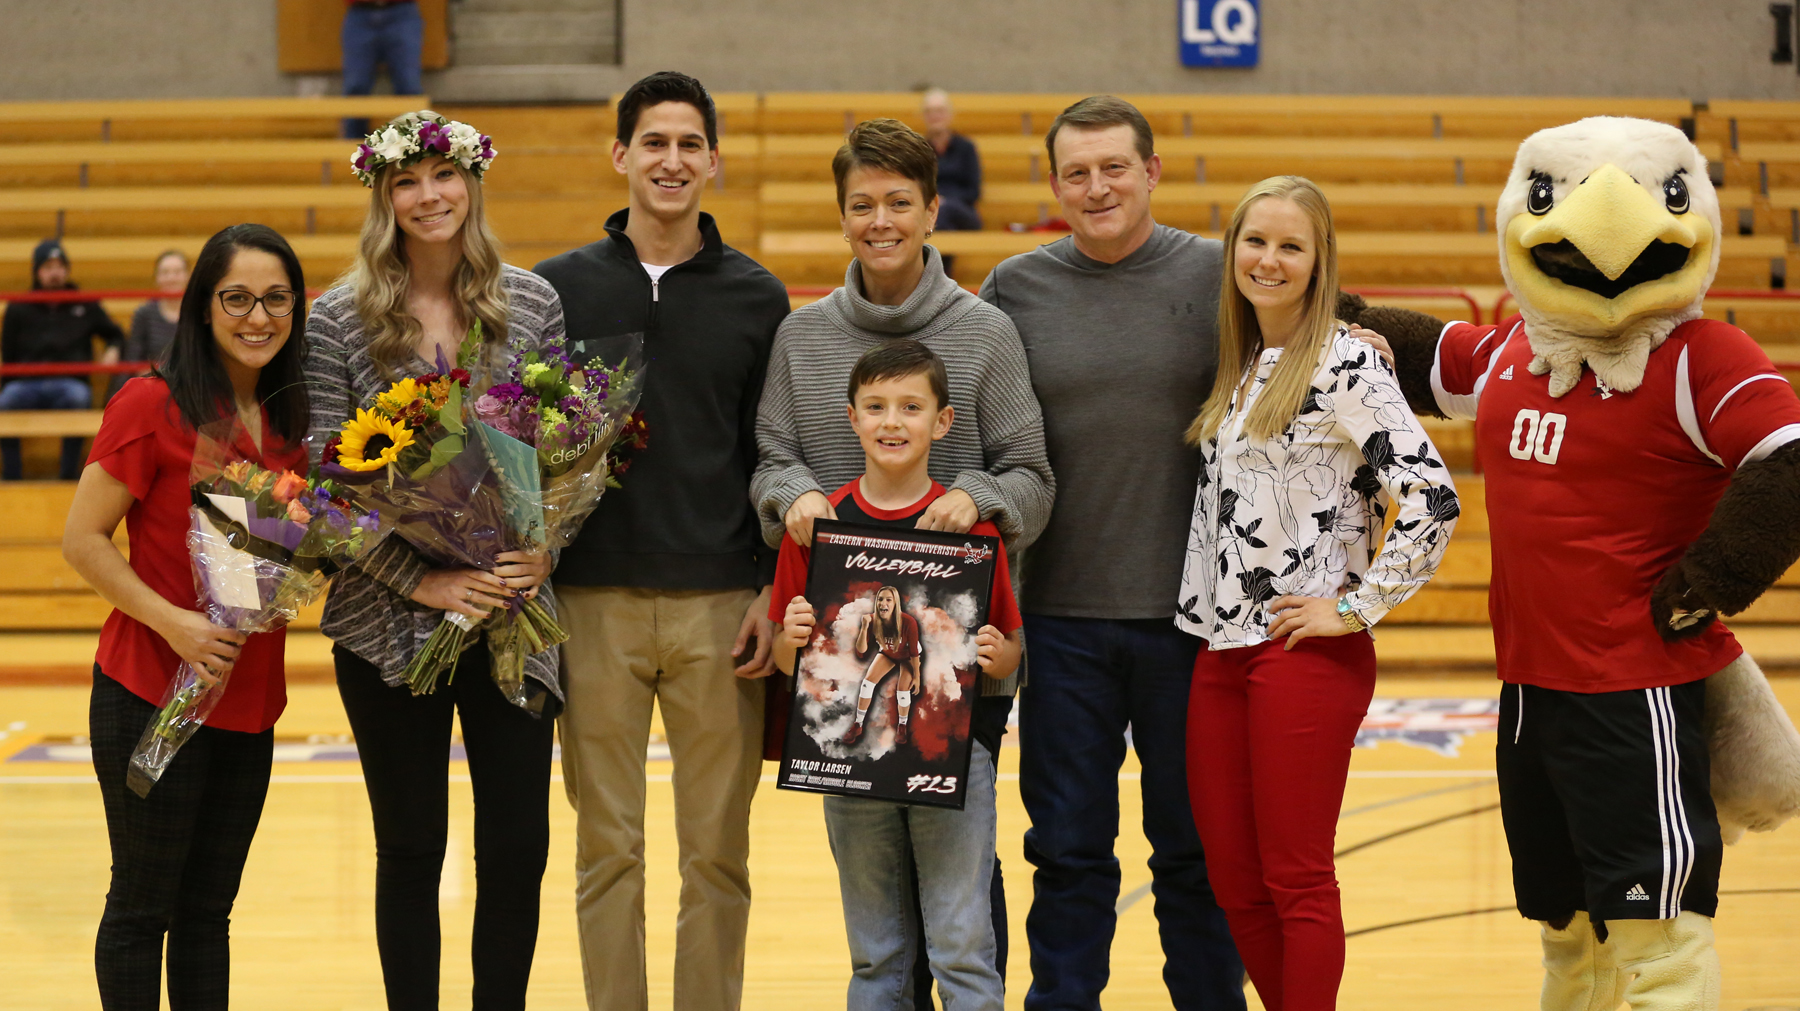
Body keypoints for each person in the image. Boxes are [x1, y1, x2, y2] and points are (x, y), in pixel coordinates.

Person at [750, 115, 1053, 1005]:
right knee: (878, 938)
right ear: (842, 215)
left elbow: (1032, 476)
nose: (879, 220)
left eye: (898, 203)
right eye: (861, 204)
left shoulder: (987, 333)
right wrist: (794, 490)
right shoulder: (800, 339)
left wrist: (985, 496)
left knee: (961, 917)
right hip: (846, 686)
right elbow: (770, 458)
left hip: (956, 670)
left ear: (931, 211)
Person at [977, 95, 1247, 1010]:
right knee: (1068, 850)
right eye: (1077, 173)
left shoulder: (1220, 274)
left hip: (1195, 623)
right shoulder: (1014, 288)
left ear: (1153, 170)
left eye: (1114, 167)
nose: (1097, 188)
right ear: (1055, 184)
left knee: (1197, 854)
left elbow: (1308, 355)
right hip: (1059, 623)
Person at [531, 71, 790, 1011]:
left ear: (712, 161)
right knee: (607, 850)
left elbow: (777, 452)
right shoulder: (556, 290)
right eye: (654, 143)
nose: (671, 160)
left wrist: (772, 586)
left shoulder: (759, 298)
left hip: (723, 607)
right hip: (590, 603)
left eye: (689, 144)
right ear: (621, 157)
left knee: (717, 854)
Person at [1179, 177, 1458, 1011]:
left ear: (1318, 261)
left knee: (1295, 878)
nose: (1268, 259)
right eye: (1254, 241)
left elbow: (1433, 498)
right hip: (1220, 650)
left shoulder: (1345, 361)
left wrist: (1353, 606)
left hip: (1302, 651)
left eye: (1290, 245)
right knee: (1236, 882)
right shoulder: (1242, 365)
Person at [304, 110, 560, 1011]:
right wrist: (423, 579)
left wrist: (542, 549)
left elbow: (566, 451)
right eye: (406, 182)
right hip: (387, 626)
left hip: (512, 620)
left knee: (518, 847)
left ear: (471, 184)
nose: (428, 196)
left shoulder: (532, 302)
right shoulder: (336, 319)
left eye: (442, 177)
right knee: (410, 847)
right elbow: (323, 491)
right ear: (383, 197)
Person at [62, 223, 312, 1010]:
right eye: (236, 298)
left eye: (276, 298)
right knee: (142, 906)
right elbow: (80, 540)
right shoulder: (151, 400)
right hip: (147, 687)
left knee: (208, 914)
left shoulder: (293, 416)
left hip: (249, 700)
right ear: (202, 307)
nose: (258, 316)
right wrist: (172, 621)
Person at [773, 338, 1024, 1011]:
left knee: (962, 949)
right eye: (876, 406)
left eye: (911, 406)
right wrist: (789, 639)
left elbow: (1008, 650)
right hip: (853, 769)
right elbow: (782, 655)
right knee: (876, 956)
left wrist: (1000, 653)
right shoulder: (819, 527)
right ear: (851, 418)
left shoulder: (974, 529)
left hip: (951, 757)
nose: (892, 421)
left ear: (942, 421)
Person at [0, 238, 127, 480]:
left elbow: (116, 334)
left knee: (78, 397)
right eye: (48, 268)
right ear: (37, 272)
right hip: (25, 384)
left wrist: (112, 348)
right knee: (6, 401)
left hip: (69, 383)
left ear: (67, 270)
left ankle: (68, 476)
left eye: (59, 267)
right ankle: (11, 476)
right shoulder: (18, 307)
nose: (54, 273)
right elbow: (8, 355)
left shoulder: (84, 304)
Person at [107, 250, 189, 402]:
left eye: (177, 272)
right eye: (165, 272)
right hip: (153, 386)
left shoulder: (198, 313)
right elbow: (133, 358)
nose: (171, 278)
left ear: (187, 276)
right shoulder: (144, 313)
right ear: (157, 278)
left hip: (191, 385)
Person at [340, 0, 424, 138]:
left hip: (402, 10)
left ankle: (414, 146)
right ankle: (353, 150)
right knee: (355, 87)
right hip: (359, 11)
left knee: (409, 86)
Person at [921, 89, 981, 232]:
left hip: (962, 211)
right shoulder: (918, 150)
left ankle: (939, 253)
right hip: (930, 210)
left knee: (944, 211)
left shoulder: (966, 147)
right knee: (938, 217)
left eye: (940, 111)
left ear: (949, 114)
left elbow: (974, 192)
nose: (935, 116)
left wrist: (945, 200)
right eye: (930, 111)